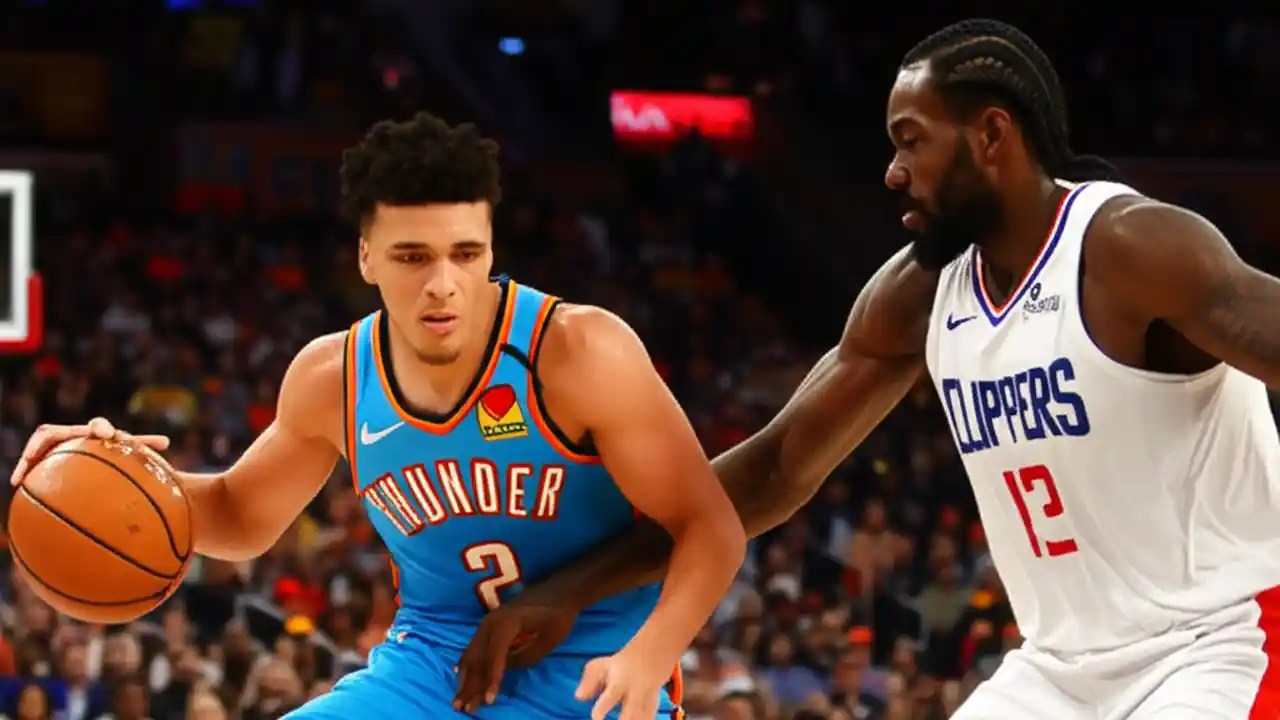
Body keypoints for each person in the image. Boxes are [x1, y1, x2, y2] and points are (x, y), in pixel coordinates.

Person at [450, 19, 1280, 719]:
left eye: (911, 142)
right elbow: (776, 467)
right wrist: (572, 588)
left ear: (992, 136)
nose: (891, 172)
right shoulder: (921, 294)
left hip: (1218, 645)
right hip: (1061, 667)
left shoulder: (1133, 249)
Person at [11, 112, 747, 720]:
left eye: (466, 254)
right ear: (366, 258)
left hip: (593, 673)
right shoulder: (332, 377)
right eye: (412, 257)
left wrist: (652, 655)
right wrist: (127, 478)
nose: (443, 285)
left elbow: (709, 527)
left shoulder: (580, 352)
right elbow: (239, 514)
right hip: (427, 667)